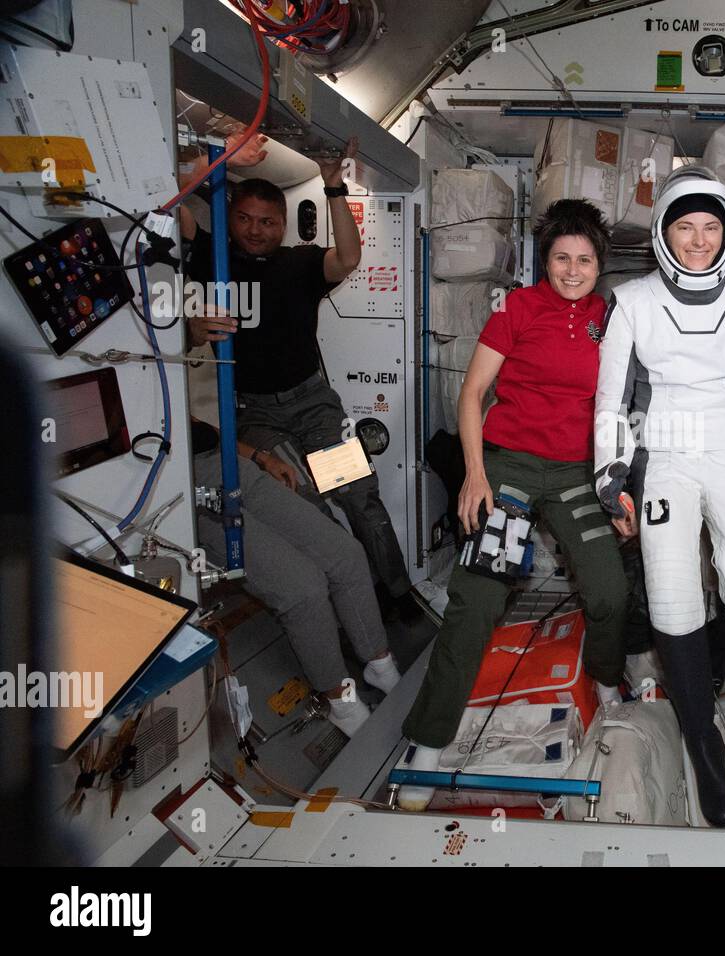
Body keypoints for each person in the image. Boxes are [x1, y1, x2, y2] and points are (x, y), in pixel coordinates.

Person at [396, 200, 631, 811]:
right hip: (510, 466)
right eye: (561, 258)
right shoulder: (518, 309)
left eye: (584, 259)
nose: (573, 270)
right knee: (476, 600)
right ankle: (426, 743)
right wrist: (475, 474)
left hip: (579, 474)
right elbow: (473, 394)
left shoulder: (613, 318)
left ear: (599, 264)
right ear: (544, 261)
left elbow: (629, 407)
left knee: (609, 593)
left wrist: (621, 485)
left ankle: (606, 681)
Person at [594, 166, 725, 828]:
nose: (698, 241)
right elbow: (612, 397)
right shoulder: (634, 301)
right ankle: (703, 745)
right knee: (674, 603)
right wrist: (612, 477)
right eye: (685, 227)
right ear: (663, 234)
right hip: (666, 458)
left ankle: (701, 663)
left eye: (710, 227)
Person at [181, 135, 420, 621]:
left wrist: (333, 187)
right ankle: (346, 601)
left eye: (267, 222)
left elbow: (348, 259)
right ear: (231, 218)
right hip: (256, 414)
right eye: (244, 218)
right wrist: (219, 160)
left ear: (282, 224)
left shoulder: (300, 264)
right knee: (306, 502)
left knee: (359, 497)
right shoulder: (210, 256)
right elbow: (168, 197)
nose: (254, 230)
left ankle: (396, 594)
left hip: (312, 406)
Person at [191, 417, 400, 737]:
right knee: (303, 590)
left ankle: (379, 665)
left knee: (347, 556)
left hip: (229, 465)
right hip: (188, 491)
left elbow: (193, 425)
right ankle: (341, 704)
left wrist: (261, 458)